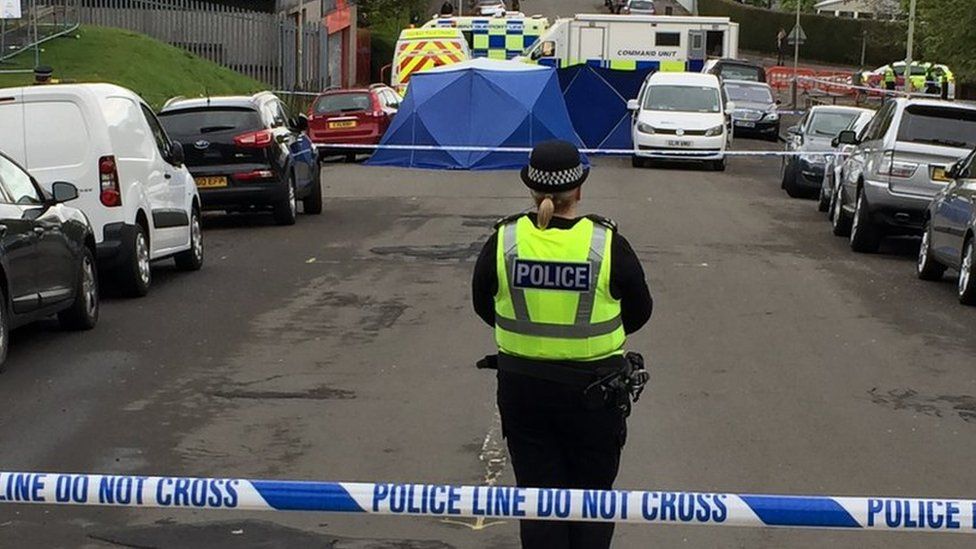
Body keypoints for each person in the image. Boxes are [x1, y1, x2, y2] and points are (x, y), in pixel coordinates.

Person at [472, 140, 653, 549]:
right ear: (579, 190)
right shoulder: (606, 244)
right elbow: (640, 312)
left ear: (532, 190)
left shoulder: (505, 241)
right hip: (595, 394)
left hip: (524, 392)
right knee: (590, 501)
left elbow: (485, 306)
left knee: (538, 501)